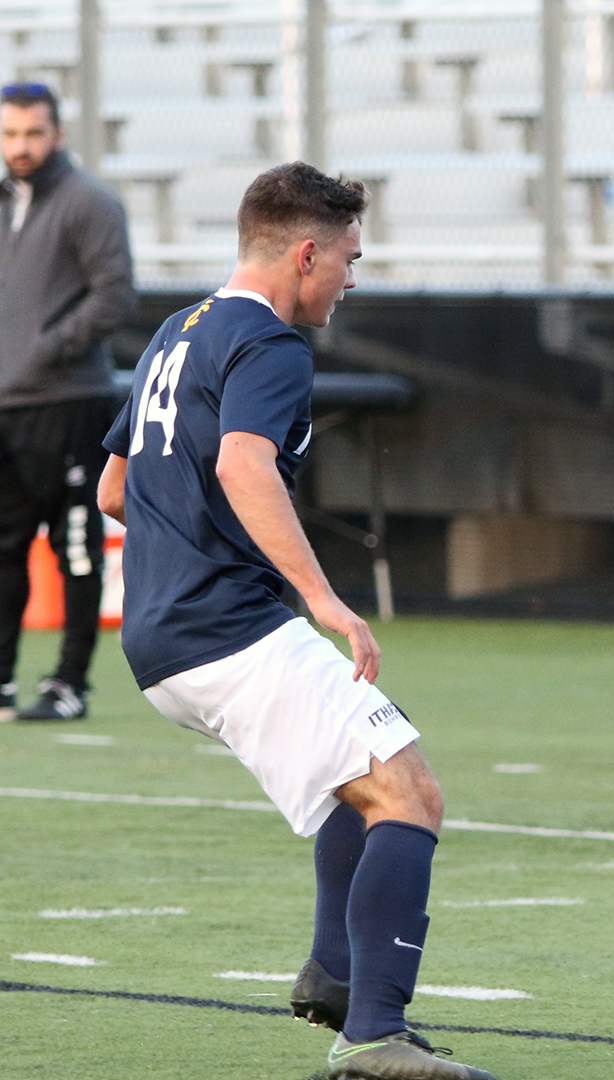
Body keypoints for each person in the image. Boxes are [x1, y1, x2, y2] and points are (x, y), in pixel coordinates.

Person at [98, 163, 493, 1080]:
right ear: (306, 253)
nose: (353, 280)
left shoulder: (175, 330)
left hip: (162, 636)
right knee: (411, 796)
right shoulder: (272, 345)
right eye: (350, 259)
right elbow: (244, 466)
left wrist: (187, 543)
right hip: (225, 627)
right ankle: (375, 1036)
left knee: (358, 779)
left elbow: (119, 486)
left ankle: (337, 977)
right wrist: (323, 601)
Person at [0, 82, 136, 721]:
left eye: (32, 133)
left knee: (76, 548)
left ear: (57, 134)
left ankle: (68, 685)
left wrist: (45, 349)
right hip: (6, 408)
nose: (20, 146)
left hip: (71, 401)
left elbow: (114, 296)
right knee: (4, 547)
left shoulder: (90, 203)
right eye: (9, 134)